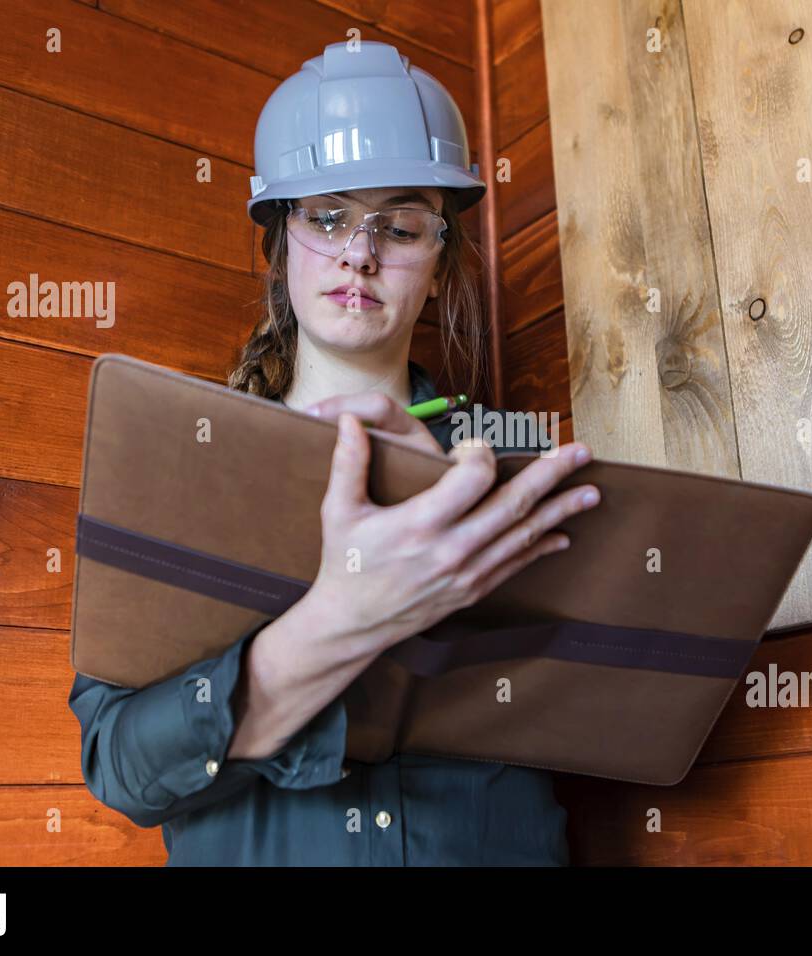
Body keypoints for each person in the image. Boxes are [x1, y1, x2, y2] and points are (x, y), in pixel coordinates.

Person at [68, 40, 601, 865]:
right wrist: (338, 624)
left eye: (402, 223)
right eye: (327, 216)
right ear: (281, 246)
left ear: (438, 261)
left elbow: (608, 718)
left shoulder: (517, 471)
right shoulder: (181, 473)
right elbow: (122, 771)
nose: (361, 251)